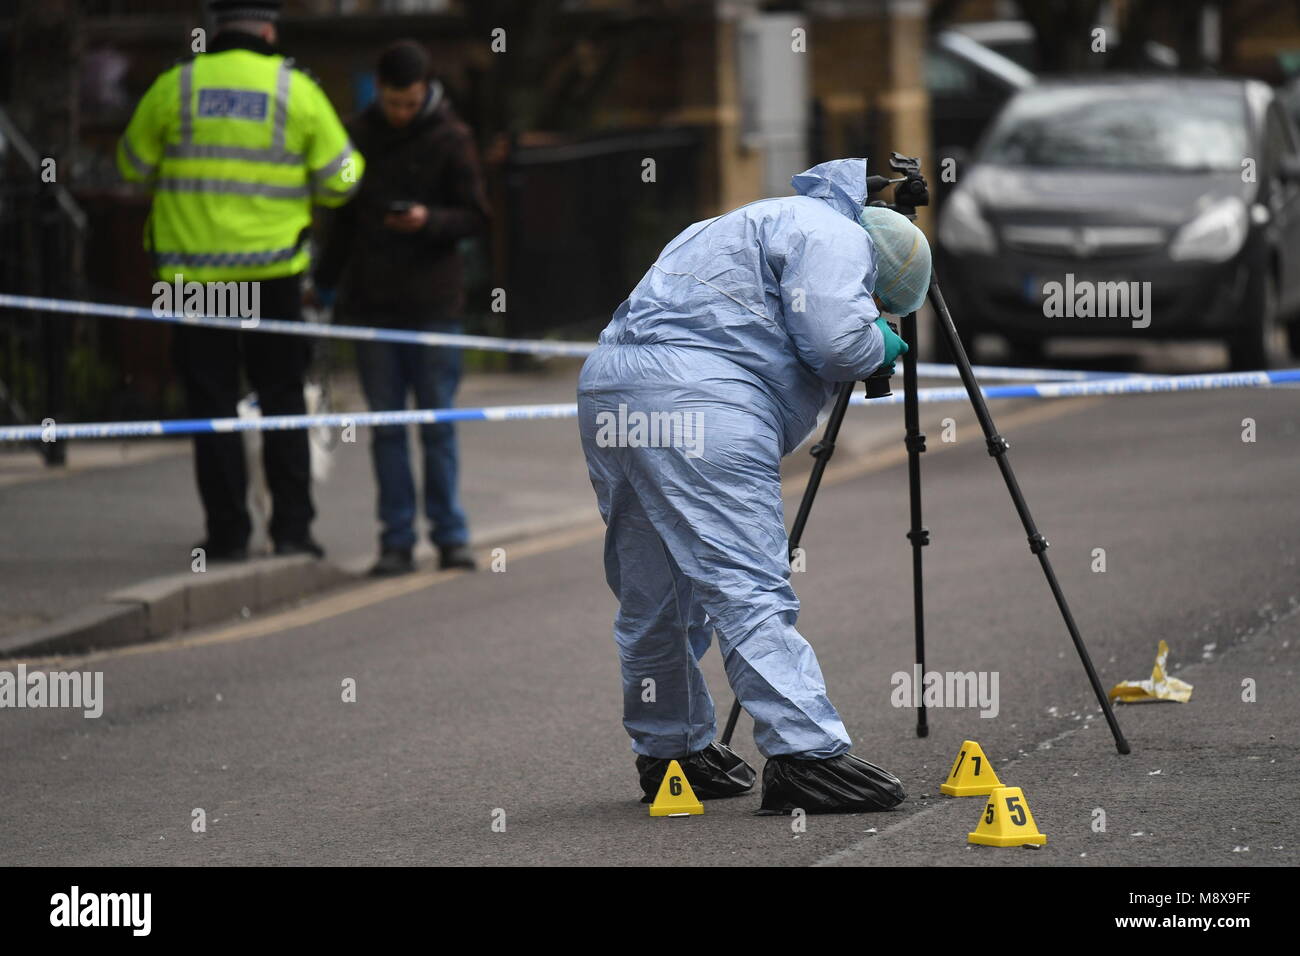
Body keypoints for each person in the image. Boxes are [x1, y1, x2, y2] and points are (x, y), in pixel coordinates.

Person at [577, 158, 931, 814]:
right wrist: (880, 343)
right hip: (699, 400)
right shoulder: (838, 235)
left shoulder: (741, 220)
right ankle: (805, 755)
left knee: (654, 588)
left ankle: (671, 751)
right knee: (747, 581)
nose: (873, 306)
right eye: (877, 298)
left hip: (611, 388)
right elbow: (836, 342)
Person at [117, 0, 363, 561]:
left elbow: (130, 162)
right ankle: (293, 532)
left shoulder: (175, 85)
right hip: (272, 274)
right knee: (282, 400)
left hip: (194, 279)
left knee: (211, 403)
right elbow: (343, 177)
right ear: (269, 29)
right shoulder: (294, 88)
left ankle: (227, 536)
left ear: (214, 29)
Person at [314, 41, 489, 576]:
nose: (402, 113)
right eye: (393, 103)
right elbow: (341, 221)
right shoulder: (357, 134)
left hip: (434, 303)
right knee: (388, 427)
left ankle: (451, 537)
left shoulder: (452, 137)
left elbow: (476, 217)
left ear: (425, 90)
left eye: (410, 103)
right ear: (379, 91)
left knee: (437, 423)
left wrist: (428, 221)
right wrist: (322, 284)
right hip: (374, 302)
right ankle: (396, 541)